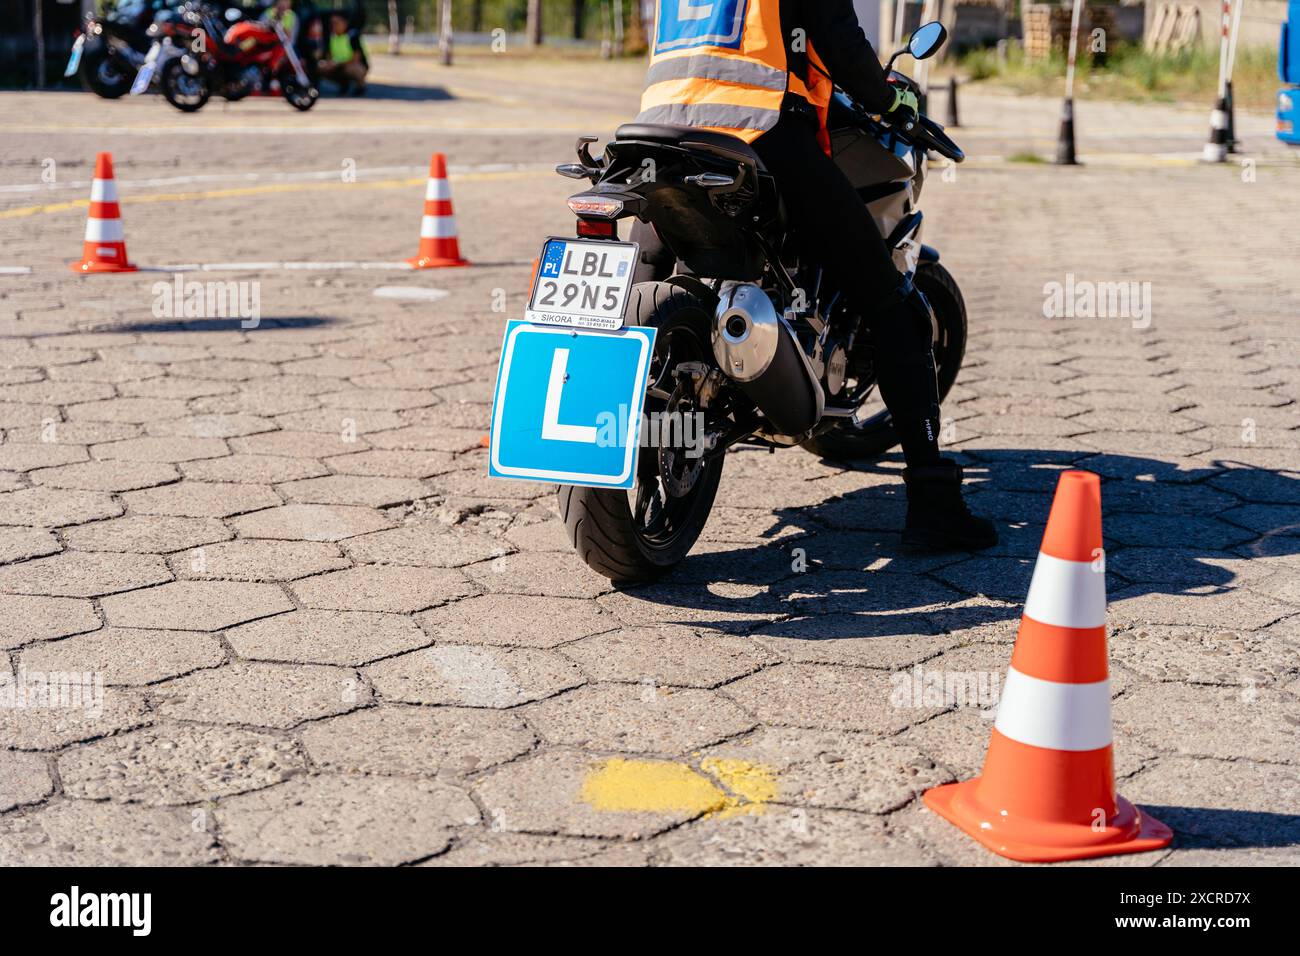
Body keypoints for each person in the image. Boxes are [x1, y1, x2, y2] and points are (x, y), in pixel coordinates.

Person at [632, 0, 996, 551]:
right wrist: (888, 97)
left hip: (655, 131)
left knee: (636, 292)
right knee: (891, 301)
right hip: (759, 131)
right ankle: (934, 506)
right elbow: (839, 40)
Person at [319, 11, 368, 95]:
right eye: (332, 23)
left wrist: (339, 63)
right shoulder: (331, 37)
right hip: (337, 65)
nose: (333, 25)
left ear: (345, 23)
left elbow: (356, 58)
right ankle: (343, 84)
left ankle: (360, 86)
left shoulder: (352, 36)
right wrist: (329, 63)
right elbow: (328, 55)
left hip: (351, 64)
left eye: (336, 23)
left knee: (355, 69)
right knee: (320, 66)